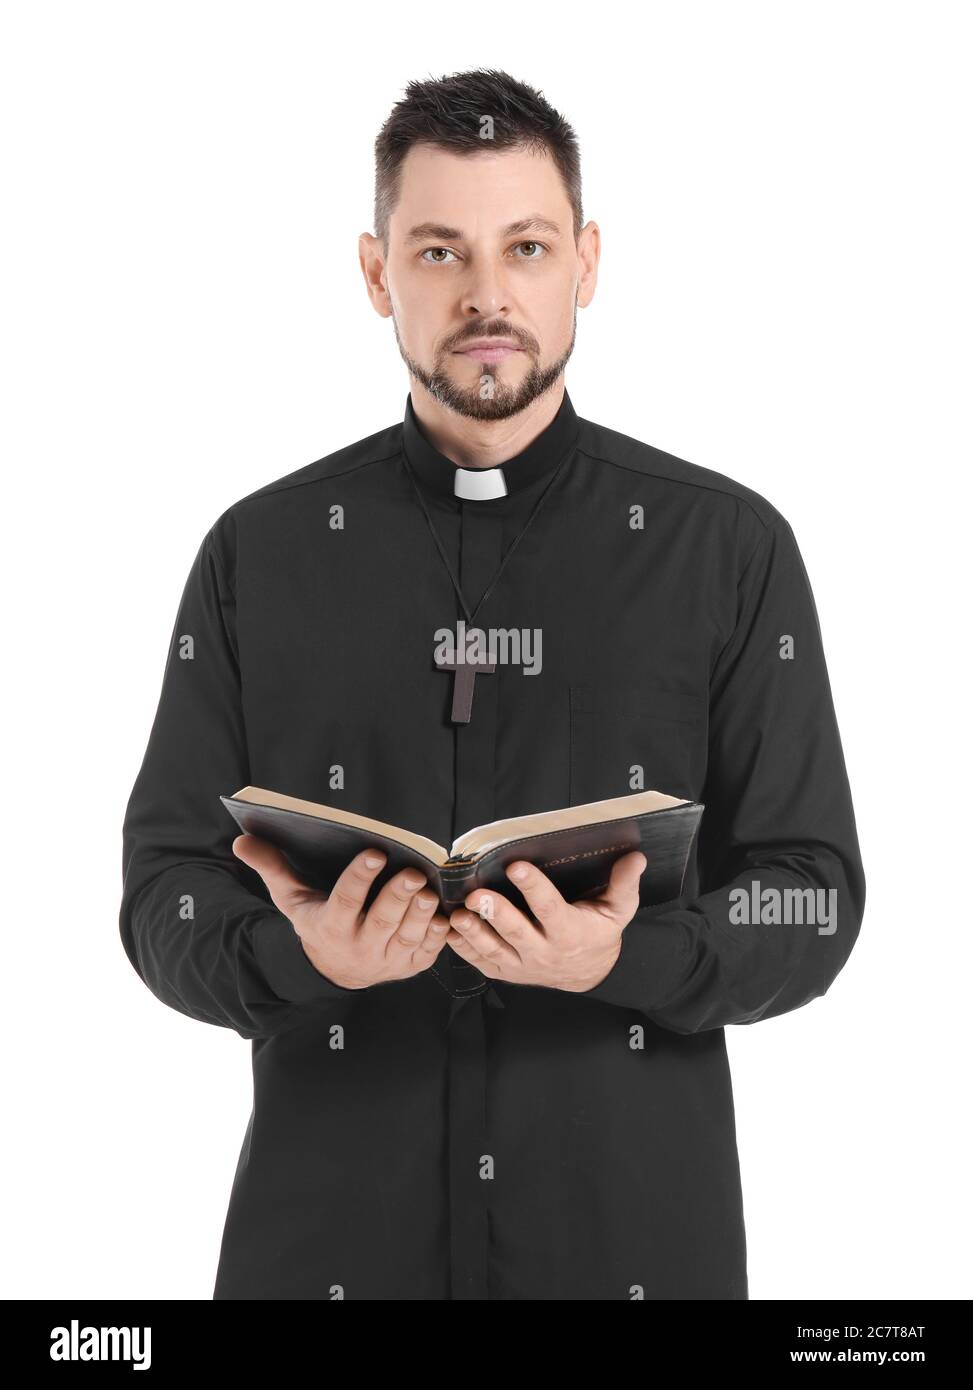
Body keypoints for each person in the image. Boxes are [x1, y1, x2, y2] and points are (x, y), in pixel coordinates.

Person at [119, 67, 865, 1300]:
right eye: (437, 250)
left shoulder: (728, 549)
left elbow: (816, 899)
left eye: (524, 246)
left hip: (632, 1257)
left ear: (585, 261)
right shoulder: (259, 554)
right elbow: (161, 895)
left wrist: (625, 956)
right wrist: (303, 956)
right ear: (375, 274)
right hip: (324, 1258)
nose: (485, 296)